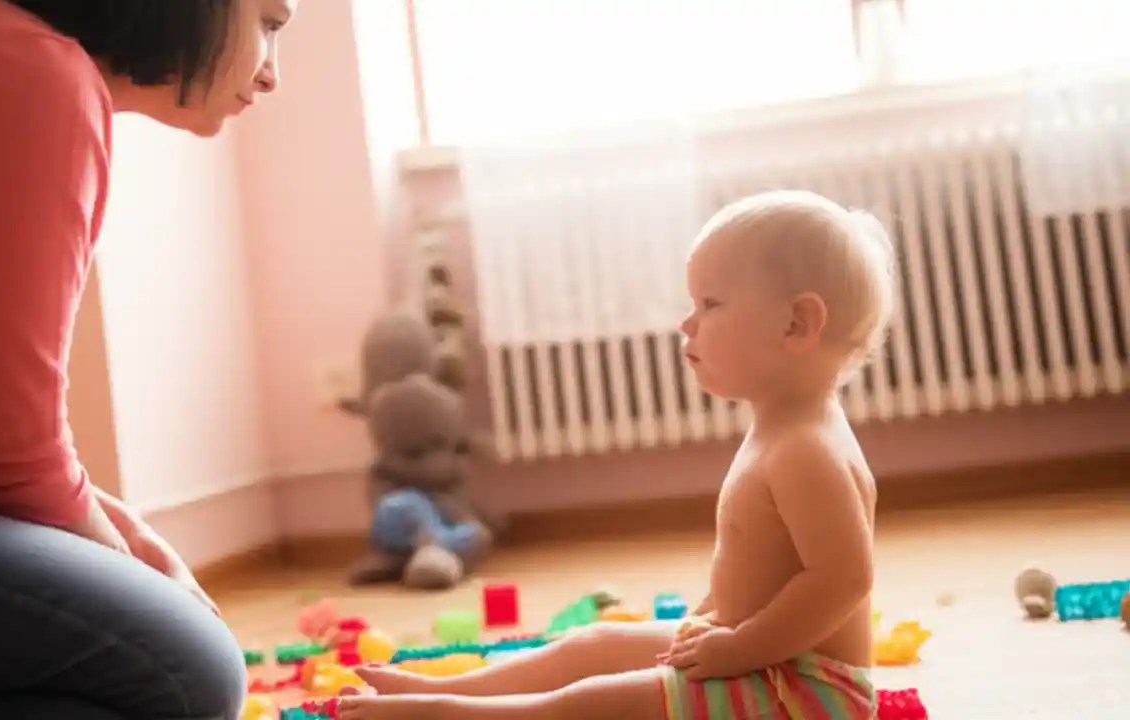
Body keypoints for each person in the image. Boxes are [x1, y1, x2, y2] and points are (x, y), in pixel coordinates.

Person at [0, 0, 295, 717]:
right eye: (269, 25)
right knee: (191, 672)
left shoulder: (1, 50)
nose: (273, 75)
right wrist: (144, 580)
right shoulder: (35, 75)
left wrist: (131, 541)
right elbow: (7, 457)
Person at [337, 189, 897, 720]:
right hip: (768, 656)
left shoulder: (807, 449)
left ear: (796, 324)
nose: (687, 323)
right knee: (597, 644)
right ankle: (452, 688)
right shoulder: (783, 428)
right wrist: (716, 623)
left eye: (710, 304)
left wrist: (740, 648)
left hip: (809, 695)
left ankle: (451, 715)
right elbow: (762, 574)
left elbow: (841, 580)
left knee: (599, 702)